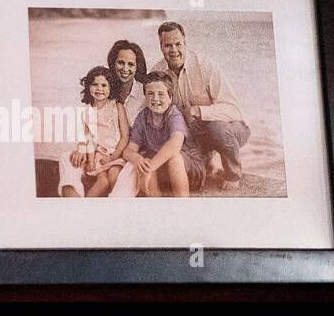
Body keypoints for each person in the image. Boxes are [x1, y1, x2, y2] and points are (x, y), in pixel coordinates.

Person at [151, 21, 251, 191]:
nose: (174, 50)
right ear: (161, 47)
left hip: (231, 129)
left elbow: (234, 110)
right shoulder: (158, 71)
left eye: (178, 44)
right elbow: (148, 109)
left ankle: (233, 174)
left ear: (185, 43)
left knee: (217, 128)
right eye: (168, 45)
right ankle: (208, 160)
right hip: (193, 135)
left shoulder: (204, 65)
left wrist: (199, 110)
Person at [111, 71, 207, 198]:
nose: (155, 99)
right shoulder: (143, 117)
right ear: (145, 96)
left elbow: (175, 144)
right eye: (150, 94)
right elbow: (129, 151)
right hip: (161, 169)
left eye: (161, 94)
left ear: (170, 97)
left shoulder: (174, 114)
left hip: (189, 171)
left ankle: (183, 203)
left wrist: (149, 169)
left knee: (174, 158)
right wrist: (138, 159)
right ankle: (156, 202)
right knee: (144, 160)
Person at [58, 66, 130, 198]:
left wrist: (113, 157)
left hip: (116, 154)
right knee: (103, 181)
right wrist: (91, 162)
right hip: (98, 155)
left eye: (104, 85)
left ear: (111, 88)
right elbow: (88, 139)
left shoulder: (117, 107)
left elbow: (125, 136)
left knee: (114, 175)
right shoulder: (86, 111)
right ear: (88, 87)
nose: (99, 89)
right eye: (95, 84)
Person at [106, 39, 147, 124]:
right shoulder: (104, 90)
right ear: (113, 64)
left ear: (137, 67)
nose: (125, 69)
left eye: (131, 64)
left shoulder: (145, 93)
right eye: (121, 63)